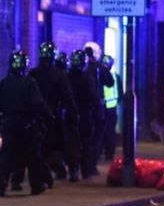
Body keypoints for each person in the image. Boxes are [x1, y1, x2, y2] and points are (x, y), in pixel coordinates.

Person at [0, 51, 54, 196]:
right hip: (26, 125)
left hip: (8, 124)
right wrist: (49, 117)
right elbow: (38, 103)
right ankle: (36, 185)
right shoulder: (29, 83)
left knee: (6, 156)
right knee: (32, 156)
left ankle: (2, 184)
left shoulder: (4, 83)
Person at [28, 42, 79, 183]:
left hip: (37, 117)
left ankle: (48, 172)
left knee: (40, 148)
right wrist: (72, 113)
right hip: (54, 117)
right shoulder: (60, 75)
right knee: (60, 144)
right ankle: (59, 169)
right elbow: (67, 96)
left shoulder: (33, 74)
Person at [67, 49, 99, 179]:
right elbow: (93, 96)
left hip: (70, 114)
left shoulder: (67, 77)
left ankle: (73, 171)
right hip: (85, 113)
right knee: (86, 144)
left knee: (72, 143)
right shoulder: (88, 78)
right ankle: (86, 171)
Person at [84, 42, 113, 166]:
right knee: (97, 136)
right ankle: (91, 164)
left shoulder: (81, 68)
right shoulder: (99, 68)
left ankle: (83, 164)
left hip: (82, 107)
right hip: (97, 106)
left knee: (84, 136)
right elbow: (110, 82)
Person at [100, 55, 122, 160]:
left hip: (102, 108)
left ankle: (100, 152)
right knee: (110, 132)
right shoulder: (115, 77)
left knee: (102, 132)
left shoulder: (99, 75)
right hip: (112, 108)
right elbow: (120, 94)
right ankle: (109, 154)